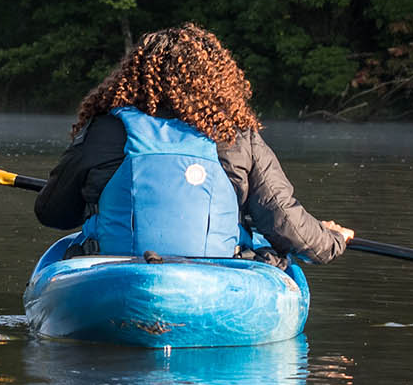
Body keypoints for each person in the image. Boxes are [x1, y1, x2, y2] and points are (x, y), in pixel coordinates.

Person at [36, 25, 352, 263]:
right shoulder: (237, 135)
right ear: (219, 79)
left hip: (115, 275)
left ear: (135, 76)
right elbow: (285, 223)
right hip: (217, 277)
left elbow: (54, 213)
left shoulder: (106, 128)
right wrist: (332, 239)